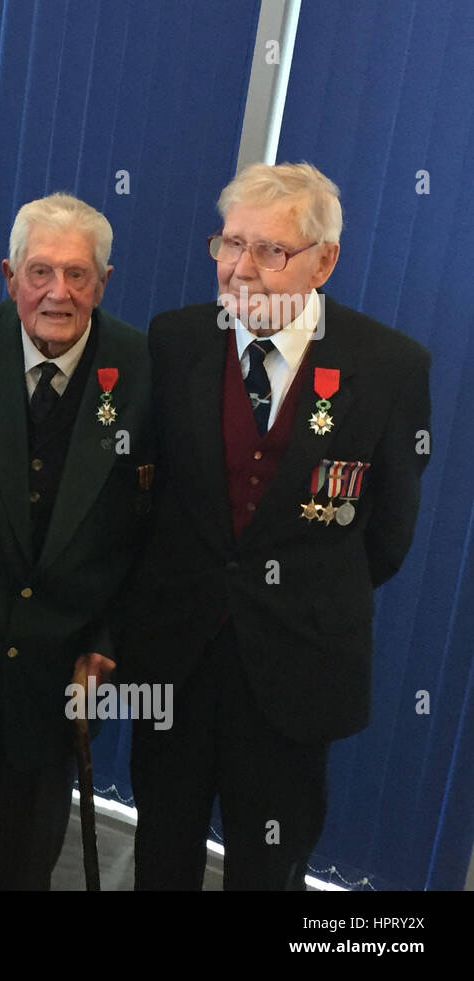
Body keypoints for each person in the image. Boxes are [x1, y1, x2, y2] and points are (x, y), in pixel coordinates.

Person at [121, 162, 431, 889]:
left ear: (324, 260)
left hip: (296, 670)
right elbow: (145, 499)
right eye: (230, 244)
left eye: (270, 250)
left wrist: (300, 596)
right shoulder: (176, 340)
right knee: (161, 852)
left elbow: (386, 532)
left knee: (269, 868)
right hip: (177, 661)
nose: (242, 269)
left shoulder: (388, 366)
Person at [0, 193, 154, 889]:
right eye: (40, 270)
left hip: (61, 690)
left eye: (79, 275)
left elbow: (147, 535)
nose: (58, 292)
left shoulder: (143, 367)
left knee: (25, 874)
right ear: (8, 274)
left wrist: (107, 643)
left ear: (104, 283)